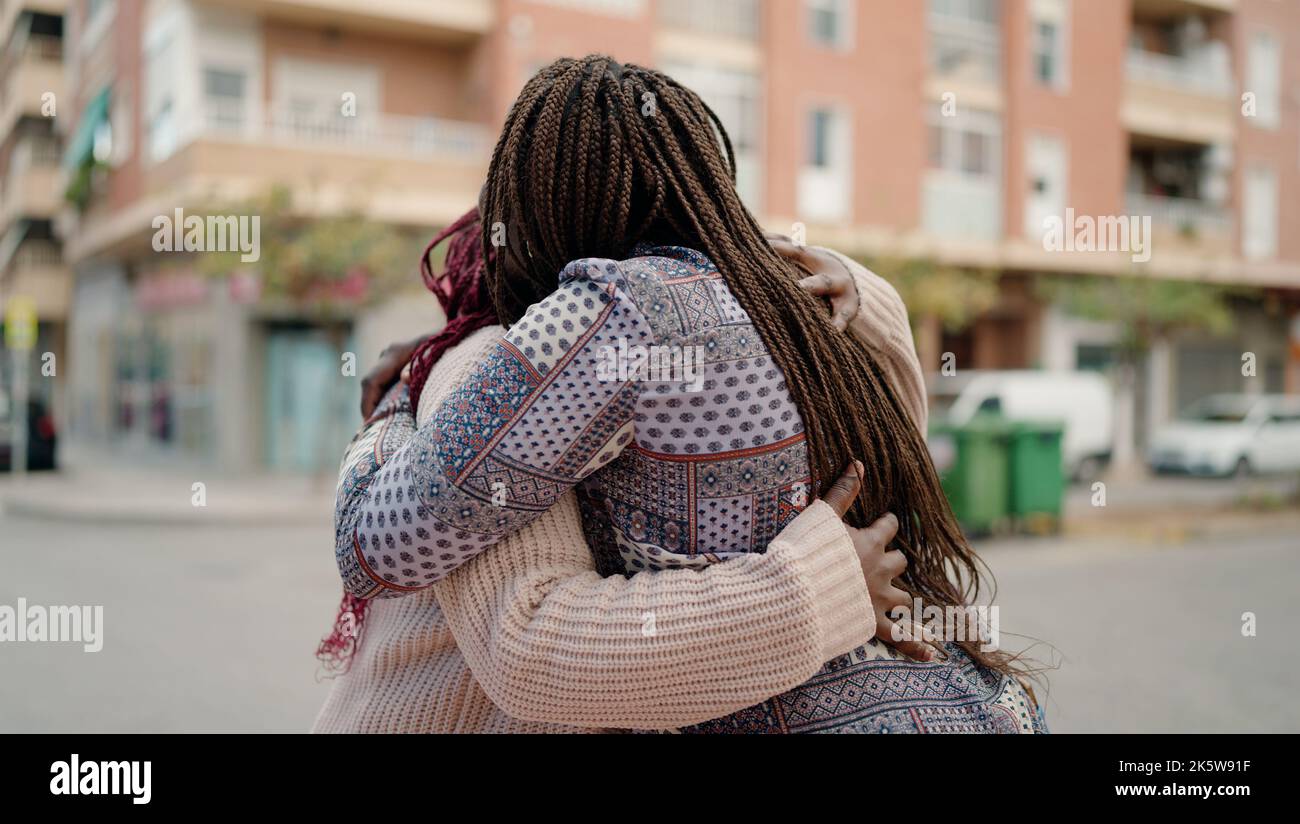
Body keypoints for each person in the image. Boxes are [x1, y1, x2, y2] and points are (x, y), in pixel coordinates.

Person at [325, 55, 1044, 733]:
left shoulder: (613, 325)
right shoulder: (804, 315)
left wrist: (397, 406)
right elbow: (528, 643)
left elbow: (380, 547)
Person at [314, 210, 929, 732]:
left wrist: (850, 286)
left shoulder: (580, 359)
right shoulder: (510, 375)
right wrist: (825, 584)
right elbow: (534, 647)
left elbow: (901, 431)